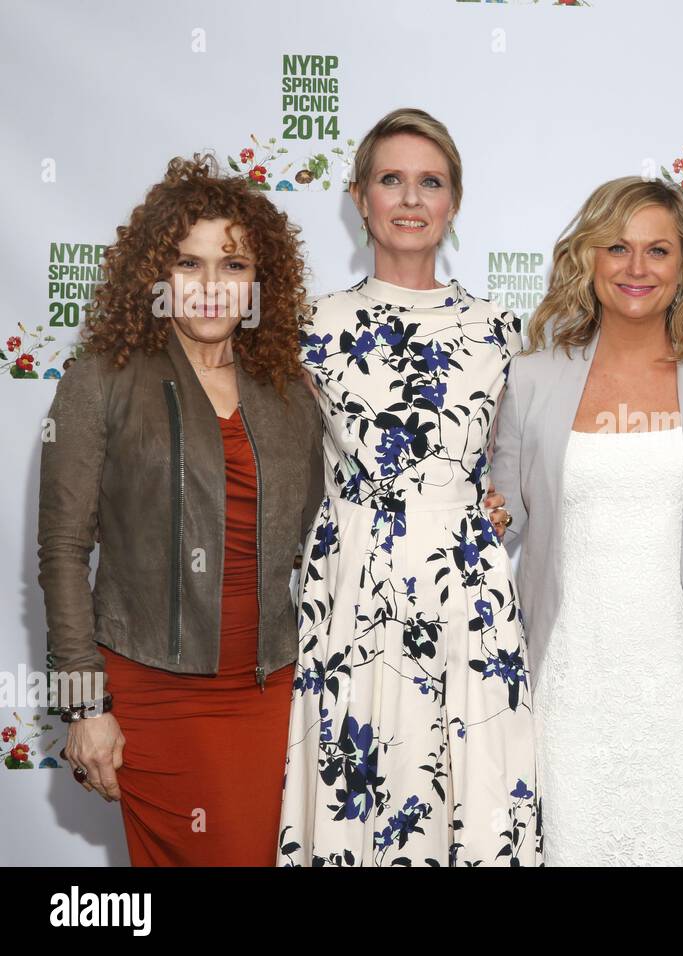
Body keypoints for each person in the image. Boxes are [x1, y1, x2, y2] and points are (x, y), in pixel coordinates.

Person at [38, 154, 323, 865]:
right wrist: (84, 707)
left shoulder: (291, 393)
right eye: (188, 264)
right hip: (151, 690)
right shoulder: (100, 380)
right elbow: (63, 554)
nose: (210, 289)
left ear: (259, 282)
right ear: (156, 277)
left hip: (267, 688)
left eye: (232, 267)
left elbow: (329, 528)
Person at [278, 108, 541, 866]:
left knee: (472, 789)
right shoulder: (312, 327)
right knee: (361, 783)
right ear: (360, 197)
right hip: (352, 584)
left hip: (467, 588)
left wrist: (498, 503)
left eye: (430, 182)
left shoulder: (501, 330)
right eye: (391, 180)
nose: (410, 199)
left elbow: (526, 463)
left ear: (454, 202)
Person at [490, 177, 683, 865]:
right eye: (617, 247)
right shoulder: (532, 378)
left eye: (657, 250)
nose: (637, 269)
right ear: (589, 260)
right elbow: (499, 515)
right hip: (572, 684)